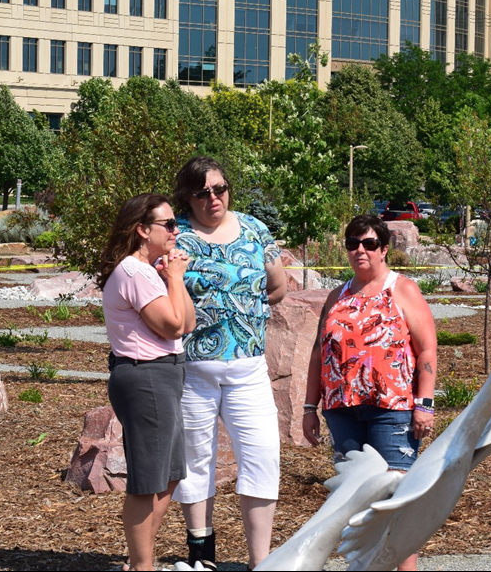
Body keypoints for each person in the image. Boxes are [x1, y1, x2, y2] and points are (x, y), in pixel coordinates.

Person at [302, 213, 438, 572]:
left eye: (369, 244)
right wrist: (308, 407)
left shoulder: (402, 289)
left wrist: (424, 404)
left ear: (384, 249)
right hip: (342, 410)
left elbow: (426, 349)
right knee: (356, 500)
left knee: (398, 499)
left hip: (391, 408)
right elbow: (319, 351)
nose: (359, 250)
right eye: (352, 244)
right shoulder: (337, 295)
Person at [171, 156, 287, 570]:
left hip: (248, 369)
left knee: (261, 455)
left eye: (220, 189)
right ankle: (201, 555)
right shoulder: (175, 236)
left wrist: (243, 315)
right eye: (202, 192)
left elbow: (278, 286)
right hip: (191, 371)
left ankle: (262, 561)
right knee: (195, 460)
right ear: (188, 197)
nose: (213, 198)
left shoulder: (255, 229)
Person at [99, 193, 196, 572]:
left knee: (170, 475)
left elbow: (186, 323)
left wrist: (176, 279)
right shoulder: (134, 271)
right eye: (168, 224)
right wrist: (172, 277)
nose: (176, 230)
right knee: (147, 480)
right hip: (145, 376)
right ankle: (142, 566)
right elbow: (172, 324)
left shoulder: (150, 271)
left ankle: (138, 560)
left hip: (165, 373)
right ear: (143, 229)